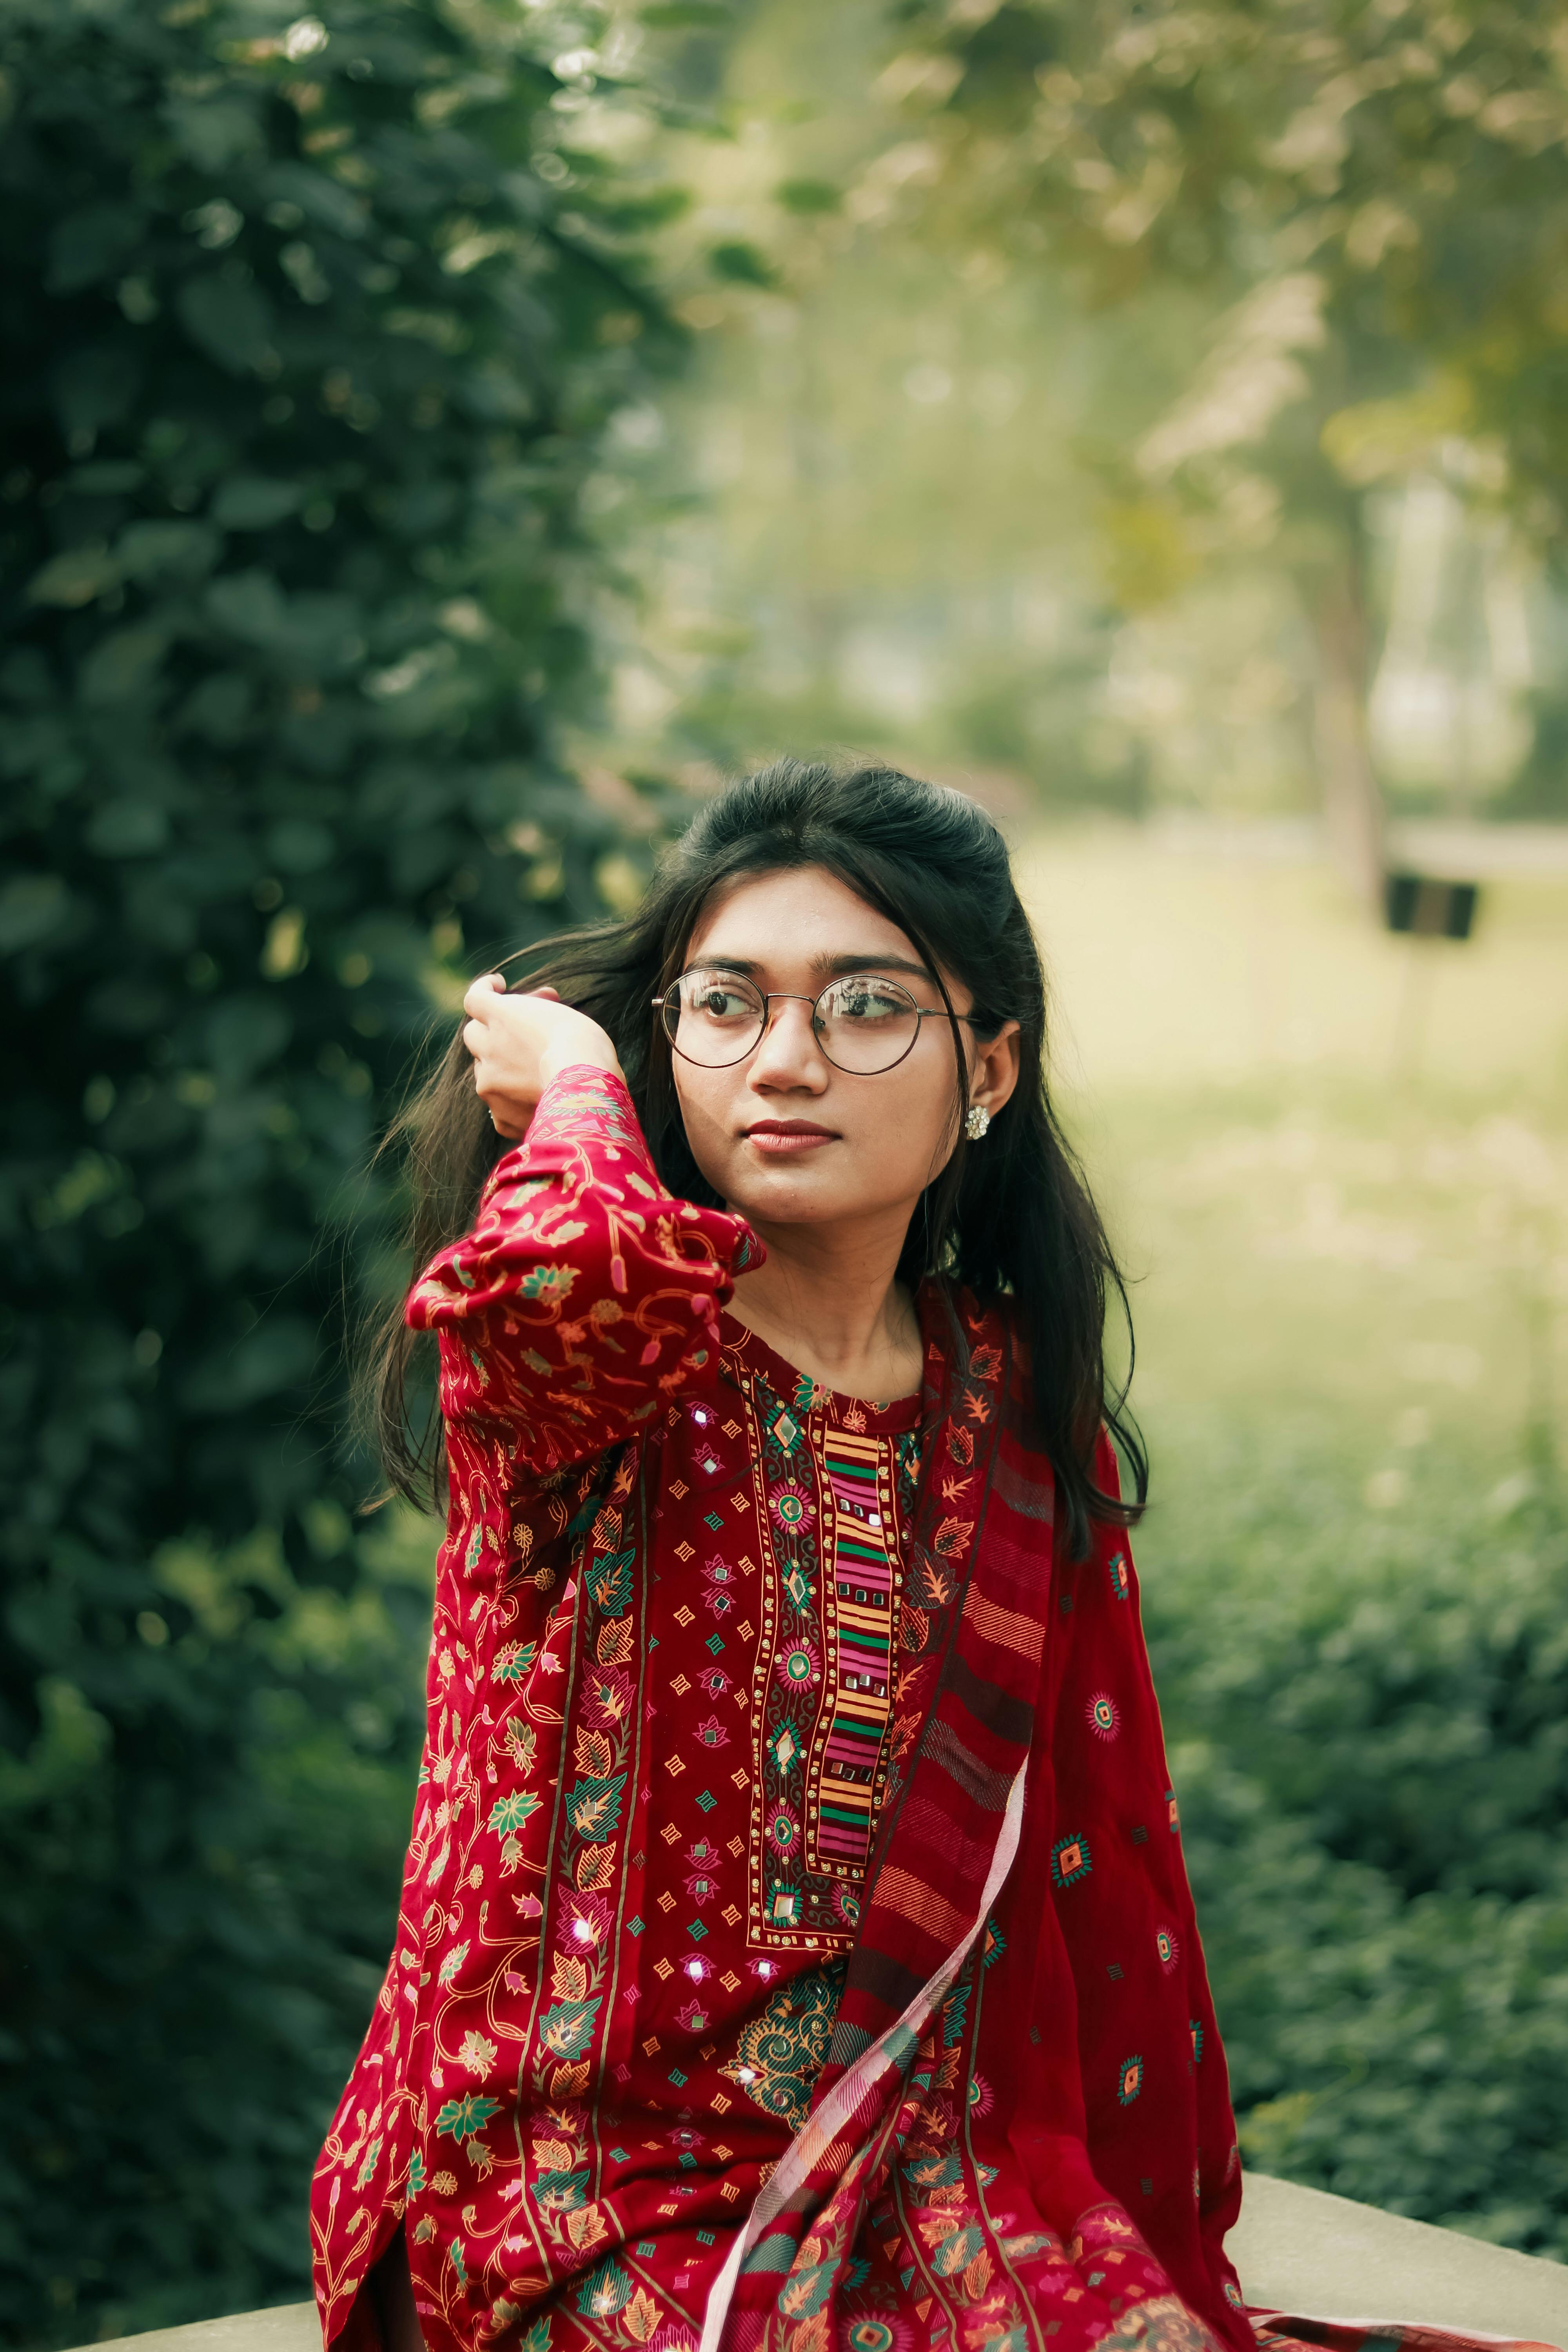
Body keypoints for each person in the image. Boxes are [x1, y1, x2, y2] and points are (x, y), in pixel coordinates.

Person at [310, 762, 1537, 2352]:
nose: (786, 1063)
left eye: (867, 1008)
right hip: (570, 2197)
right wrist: (582, 1089)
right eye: (725, 1006)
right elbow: (564, 1279)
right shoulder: (606, 1364)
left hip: (927, 2174)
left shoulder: (1004, 1397)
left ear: (990, 1065)